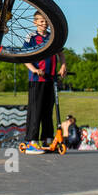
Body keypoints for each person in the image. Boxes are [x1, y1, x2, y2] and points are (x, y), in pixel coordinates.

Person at [24, 12, 66, 144]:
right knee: (35, 111)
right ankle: (32, 140)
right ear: (35, 22)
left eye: (46, 21)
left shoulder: (52, 37)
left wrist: (63, 66)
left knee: (48, 111)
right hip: (36, 80)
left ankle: (47, 139)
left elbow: (61, 54)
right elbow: (24, 58)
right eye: (41, 21)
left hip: (51, 79)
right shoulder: (31, 37)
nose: (44, 24)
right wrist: (35, 70)